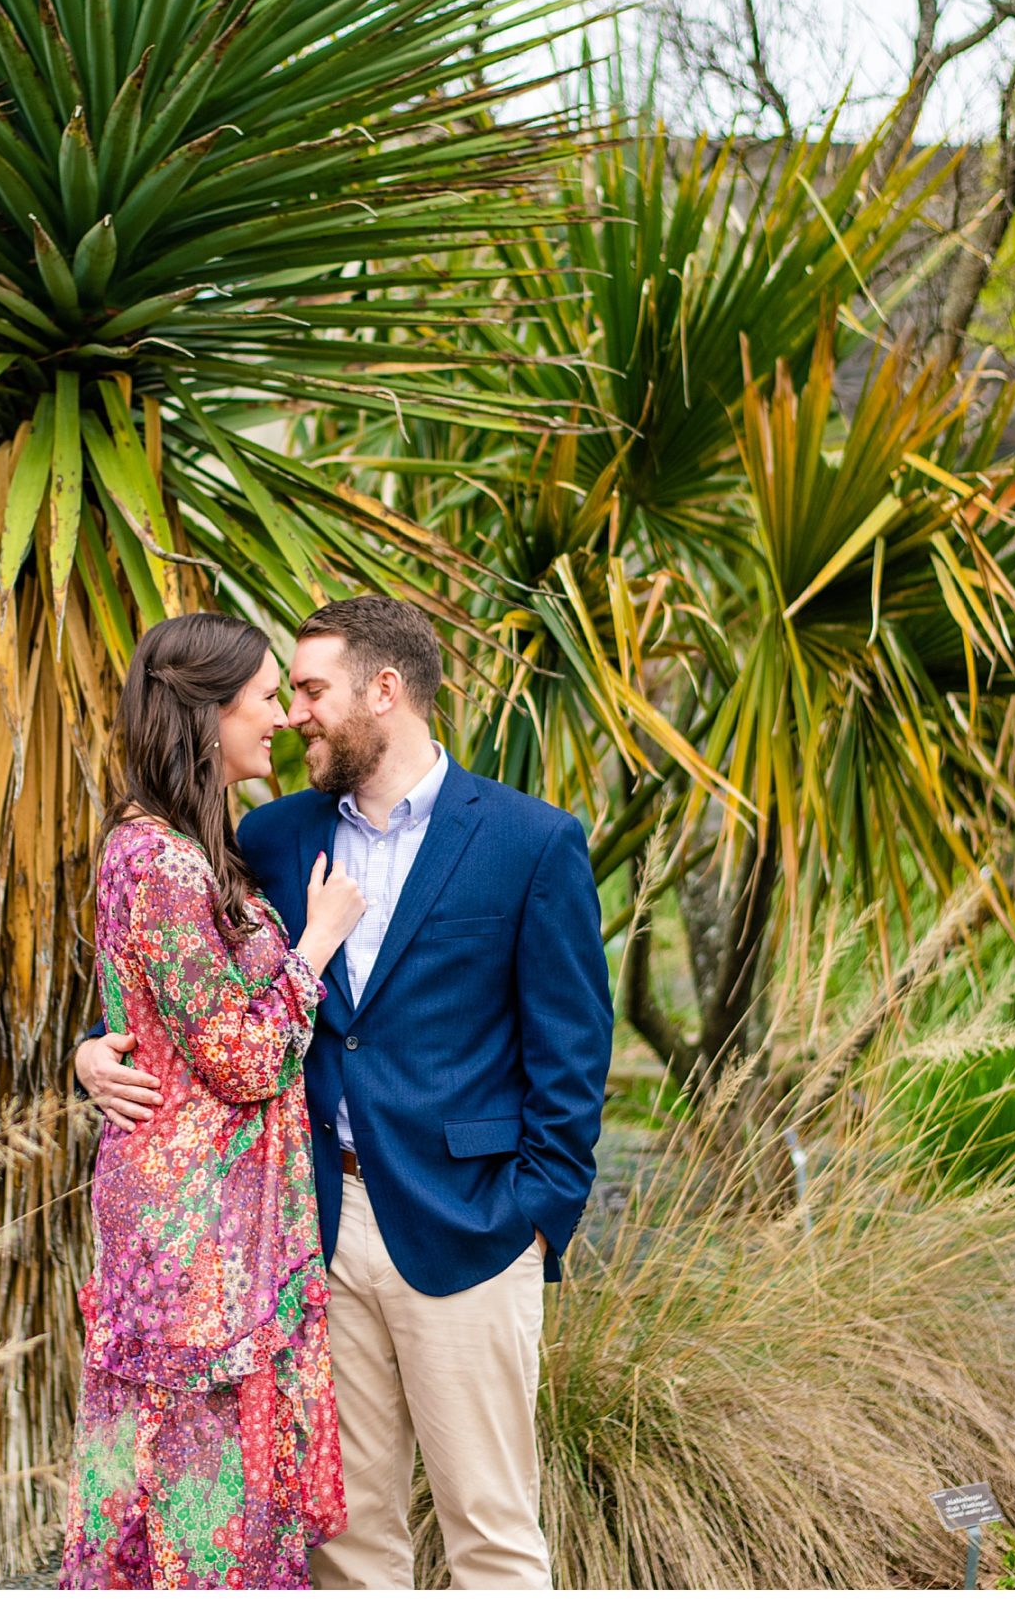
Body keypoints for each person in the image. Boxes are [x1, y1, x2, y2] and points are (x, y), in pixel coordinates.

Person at [79, 595, 613, 1591]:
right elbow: (176, 964)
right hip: (314, 1227)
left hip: (470, 1224)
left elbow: (573, 1052)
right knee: (346, 1539)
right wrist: (93, 1049)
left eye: (312, 689)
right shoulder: (271, 836)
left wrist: (535, 1217)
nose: (294, 715)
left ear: (384, 690)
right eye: (284, 694)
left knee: (490, 1531)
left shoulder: (528, 841)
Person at [61, 611, 370, 1590]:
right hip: (190, 1242)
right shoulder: (158, 862)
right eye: (267, 697)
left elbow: (161, 1021)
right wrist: (315, 944)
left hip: (205, 1225)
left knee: (203, 1495)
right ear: (207, 712)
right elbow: (240, 1055)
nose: (281, 717)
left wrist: (89, 1053)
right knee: (197, 1508)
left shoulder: (182, 851)